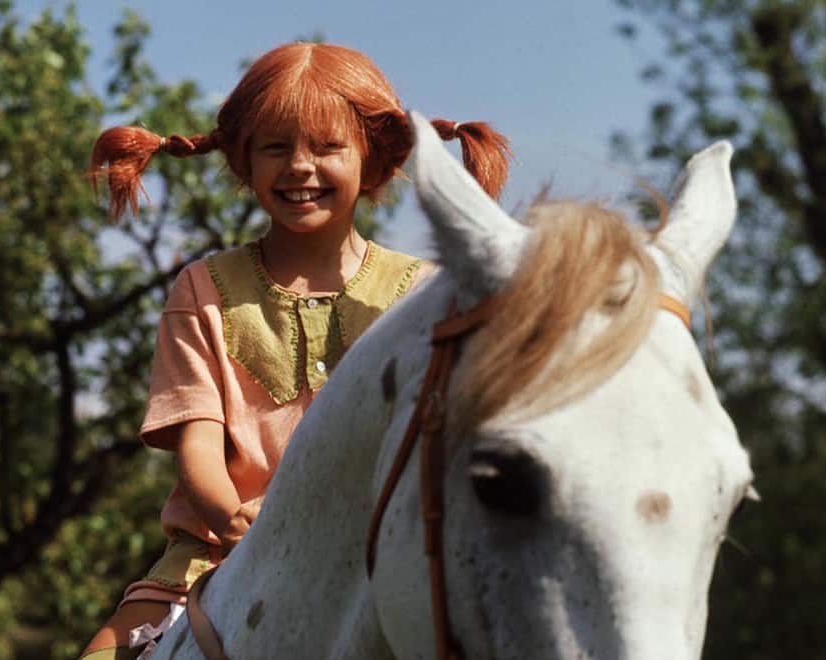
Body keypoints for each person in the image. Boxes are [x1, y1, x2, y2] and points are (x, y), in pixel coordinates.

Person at [79, 42, 511, 660]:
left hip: (373, 560)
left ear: (373, 158)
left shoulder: (424, 295)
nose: (300, 167)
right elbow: (199, 447)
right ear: (244, 159)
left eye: (328, 147)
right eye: (275, 147)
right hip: (215, 557)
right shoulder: (203, 288)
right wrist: (231, 517)